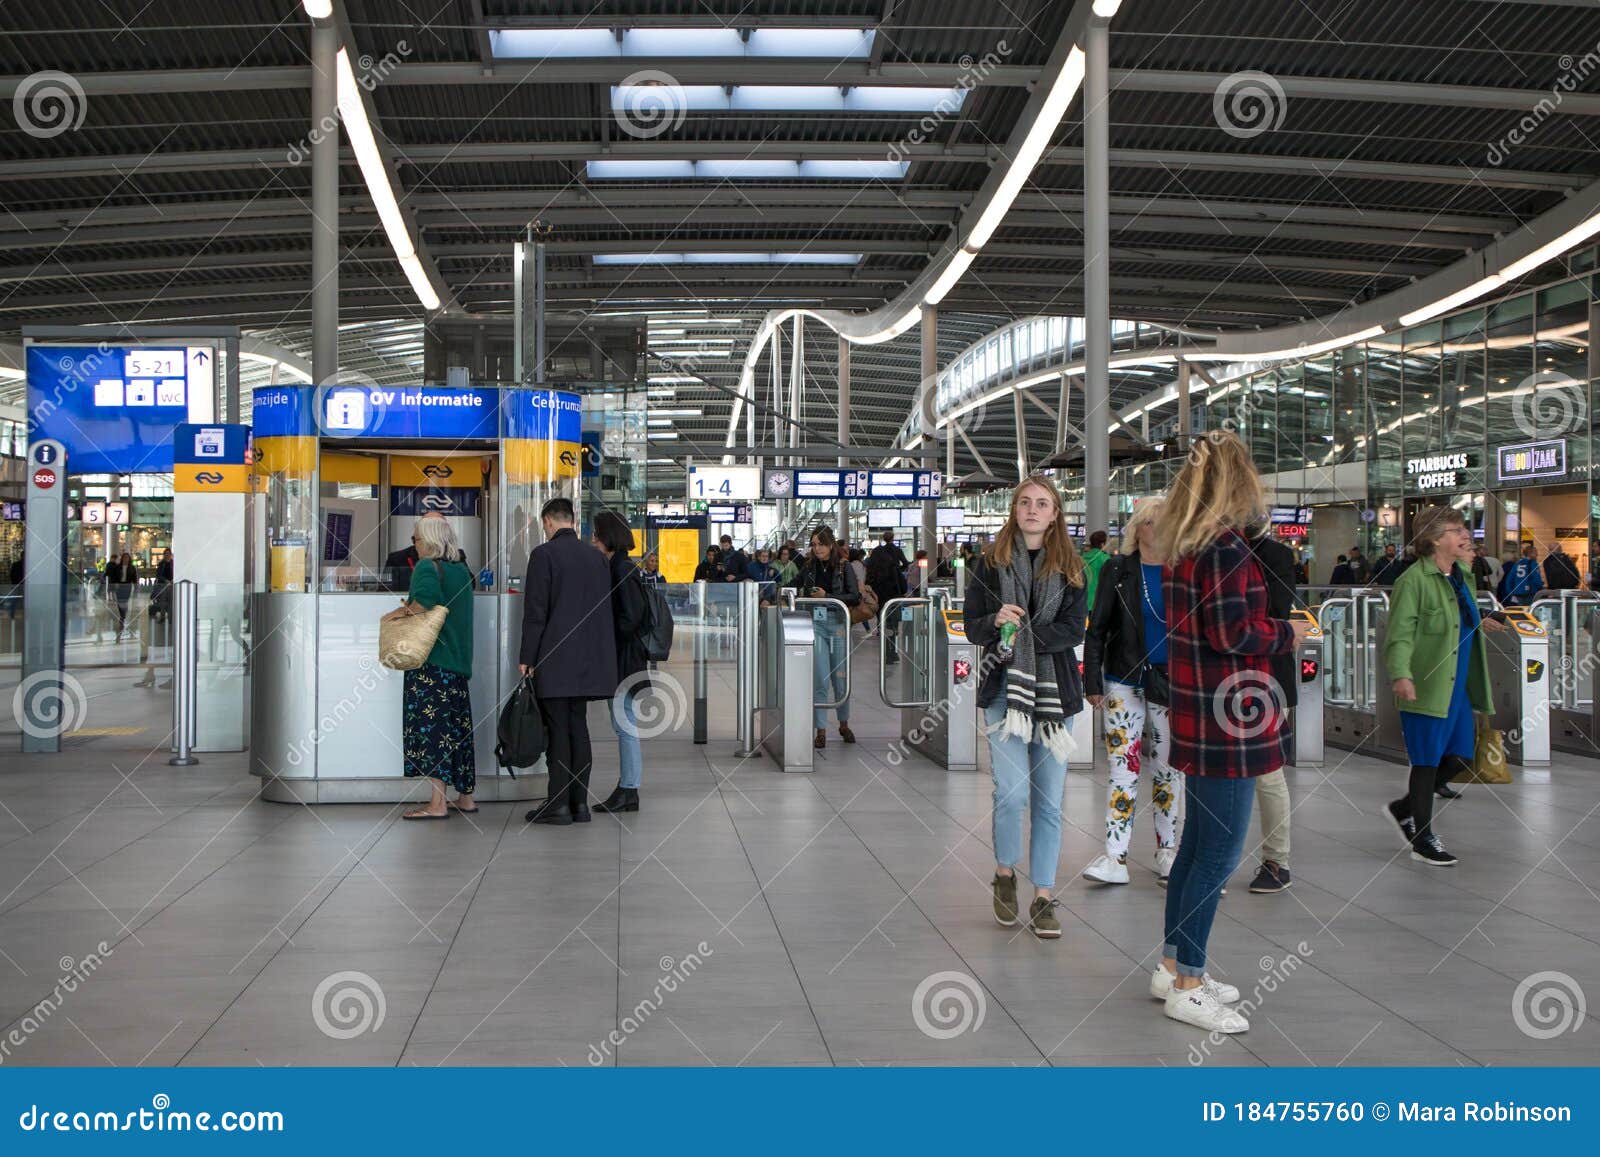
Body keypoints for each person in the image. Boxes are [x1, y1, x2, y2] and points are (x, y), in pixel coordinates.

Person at [1155, 431, 1306, 1033]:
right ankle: (1188, 985)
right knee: (1216, 852)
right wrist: (1285, 632)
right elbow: (1233, 634)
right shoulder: (1223, 548)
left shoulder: (1180, 546)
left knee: (1196, 846)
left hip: (1201, 712)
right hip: (1230, 719)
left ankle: (1174, 965)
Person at [963, 476, 1087, 940]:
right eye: (1025, 503)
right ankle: (1004, 873)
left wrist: (1027, 636)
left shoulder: (1073, 568)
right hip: (1003, 691)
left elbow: (1074, 630)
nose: (1033, 510)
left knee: (1049, 802)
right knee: (1012, 795)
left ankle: (1043, 897)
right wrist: (995, 621)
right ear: (1014, 511)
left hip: (1056, 699)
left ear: (1055, 514)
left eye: (1043, 504)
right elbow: (974, 629)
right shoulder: (989, 565)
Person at [1384, 506, 1506, 866]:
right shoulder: (1414, 581)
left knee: (1461, 758)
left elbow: (1454, 616)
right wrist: (1401, 675)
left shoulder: (1459, 575)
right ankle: (1423, 840)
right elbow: (1400, 635)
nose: (1465, 535)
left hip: (1459, 686)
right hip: (1429, 684)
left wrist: (1480, 620)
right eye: (1456, 530)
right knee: (1426, 763)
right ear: (1435, 539)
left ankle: (1404, 809)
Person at [1082, 499, 1179, 887]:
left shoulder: (1183, 571)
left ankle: (1168, 851)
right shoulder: (1117, 570)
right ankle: (1115, 857)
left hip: (1172, 681)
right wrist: (1092, 679)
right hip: (1124, 678)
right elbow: (1098, 627)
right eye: (1150, 522)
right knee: (1123, 769)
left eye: (1164, 522)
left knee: (1170, 770)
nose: (1157, 528)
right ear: (1137, 529)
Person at [520, 498, 619, 826]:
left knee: (559, 729)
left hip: (555, 655)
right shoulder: (597, 558)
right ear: (572, 521)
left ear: (548, 521)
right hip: (589, 657)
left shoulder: (543, 555)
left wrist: (527, 657)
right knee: (578, 726)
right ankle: (579, 803)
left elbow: (536, 612)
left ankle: (557, 803)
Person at [392, 517, 477, 820]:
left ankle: (437, 804)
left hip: (432, 663)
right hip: (457, 664)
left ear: (427, 540)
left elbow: (422, 606)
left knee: (434, 733)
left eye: (415, 539)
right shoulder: (461, 571)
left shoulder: (427, 567)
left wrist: (400, 613)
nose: (412, 544)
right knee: (457, 729)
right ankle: (465, 797)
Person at [1246, 527, 1300, 895]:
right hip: (1219, 679)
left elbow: (1277, 614)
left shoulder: (1275, 555)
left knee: (1268, 773)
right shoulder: (1203, 550)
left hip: (1266, 677)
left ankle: (1277, 860)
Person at [593, 511, 649, 815]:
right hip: (626, 656)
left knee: (625, 723)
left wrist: (606, 634)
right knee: (623, 722)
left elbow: (631, 616)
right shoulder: (621, 566)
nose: (593, 540)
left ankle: (629, 789)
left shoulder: (621, 568)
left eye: (596, 534)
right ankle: (627, 787)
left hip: (624, 658)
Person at [789, 525, 860, 749]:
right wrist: (770, 593)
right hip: (816, 624)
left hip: (838, 623)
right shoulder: (809, 566)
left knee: (841, 678)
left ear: (831, 545)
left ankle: (843, 724)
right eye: (813, 544)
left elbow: (854, 596)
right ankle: (820, 730)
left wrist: (827, 596)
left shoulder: (843, 566)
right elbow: (793, 584)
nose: (817, 548)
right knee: (820, 677)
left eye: (820, 544)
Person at [384, 512, 469, 591]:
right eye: (414, 539)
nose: (415, 544)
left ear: (431, 539)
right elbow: (384, 593)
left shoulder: (454, 557)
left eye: (416, 540)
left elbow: (470, 585)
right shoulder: (397, 558)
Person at [866, 532, 910, 658]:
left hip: (879, 595)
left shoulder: (876, 555)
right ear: (893, 538)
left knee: (883, 621)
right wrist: (898, 571)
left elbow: (869, 576)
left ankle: (885, 649)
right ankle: (893, 651)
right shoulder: (896, 555)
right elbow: (906, 565)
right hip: (893, 593)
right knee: (893, 623)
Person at [105, 551, 137, 641]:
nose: (125, 559)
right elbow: (114, 577)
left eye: (127, 558)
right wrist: (114, 585)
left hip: (127, 587)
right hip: (119, 588)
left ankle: (122, 618)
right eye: (124, 558)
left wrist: (136, 589)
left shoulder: (132, 568)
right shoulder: (117, 567)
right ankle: (122, 618)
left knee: (125, 604)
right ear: (122, 558)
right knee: (120, 604)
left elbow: (135, 579)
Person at [1082, 529, 1111, 611]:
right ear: (1102, 544)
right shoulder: (1105, 559)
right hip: (1098, 602)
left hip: (1082, 601)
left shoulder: (1081, 558)